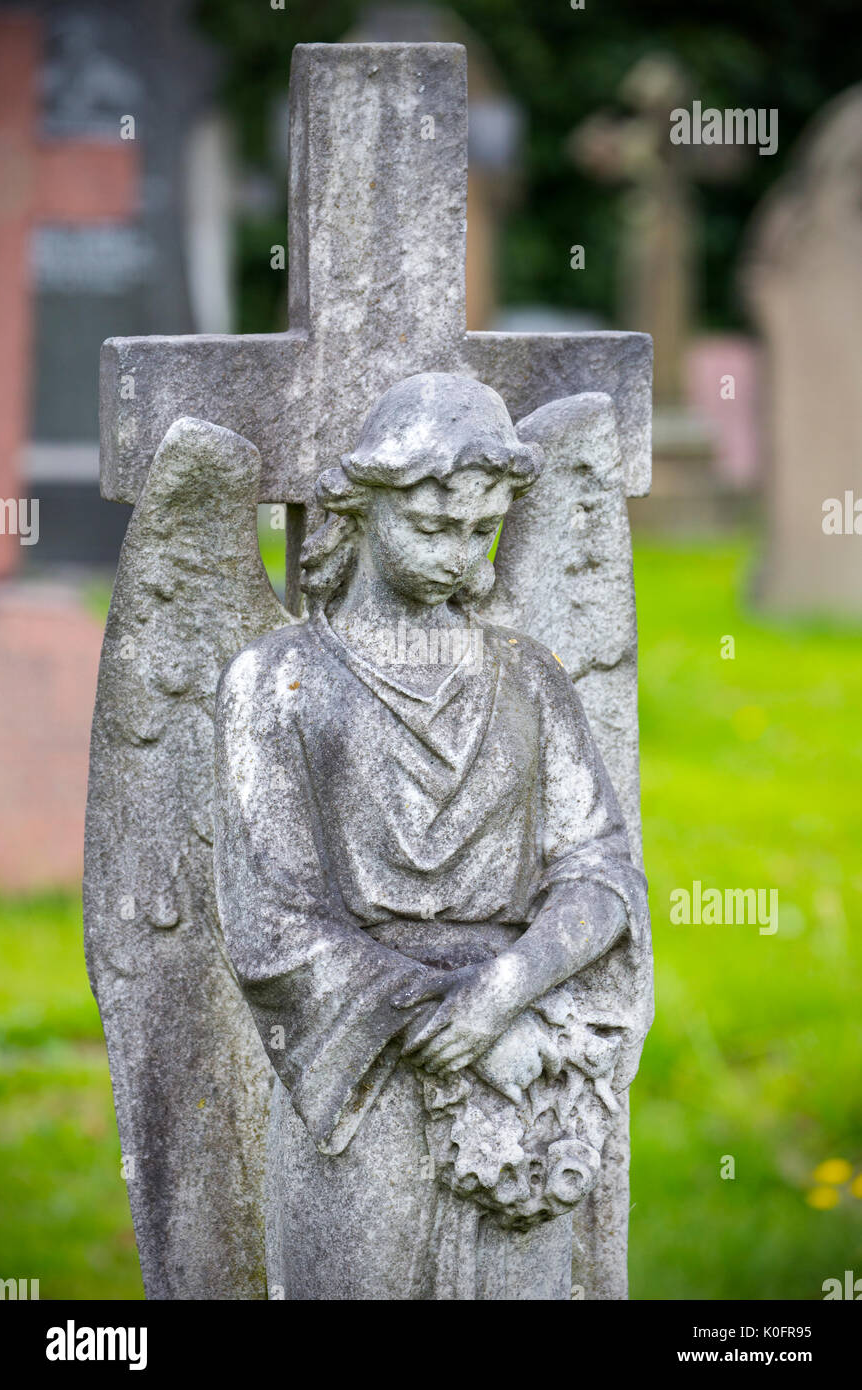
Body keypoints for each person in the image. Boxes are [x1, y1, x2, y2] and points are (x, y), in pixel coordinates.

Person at [213, 373, 649, 1299]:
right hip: (360, 1079)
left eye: (478, 531)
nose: (458, 555)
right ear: (363, 510)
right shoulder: (278, 685)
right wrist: (454, 1022)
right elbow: (274, 924)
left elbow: (602, 872)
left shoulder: (529, 679)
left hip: (521, 1076)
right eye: (432, 527)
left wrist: (507, 991)